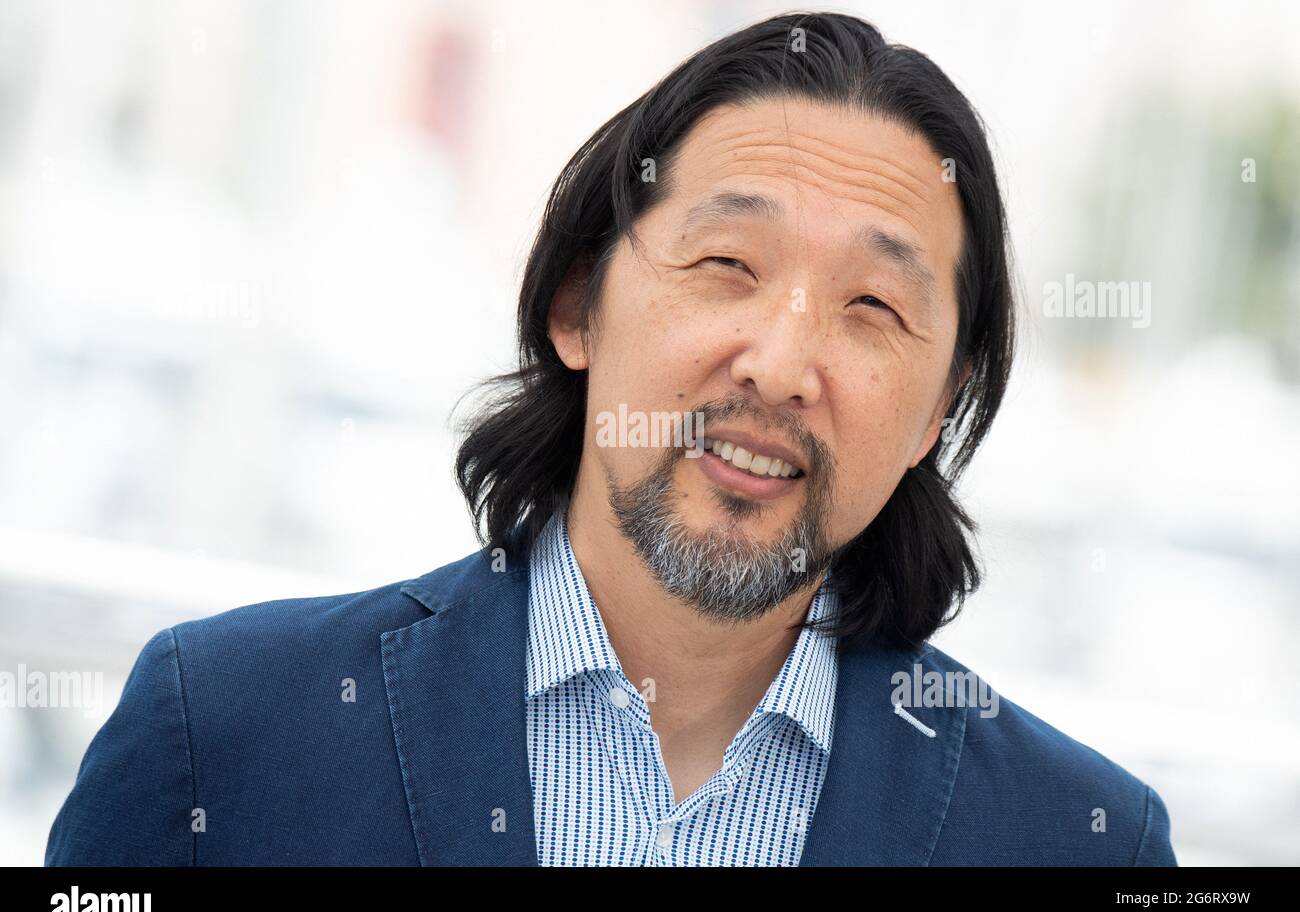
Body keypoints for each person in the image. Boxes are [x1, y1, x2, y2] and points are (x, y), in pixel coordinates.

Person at [45, 11, 1176, 866]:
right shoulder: (224, 732)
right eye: (726, 263)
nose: (780, 366)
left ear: (941, 405)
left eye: (873, 308)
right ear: (578, 300)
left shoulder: (1082, 841)